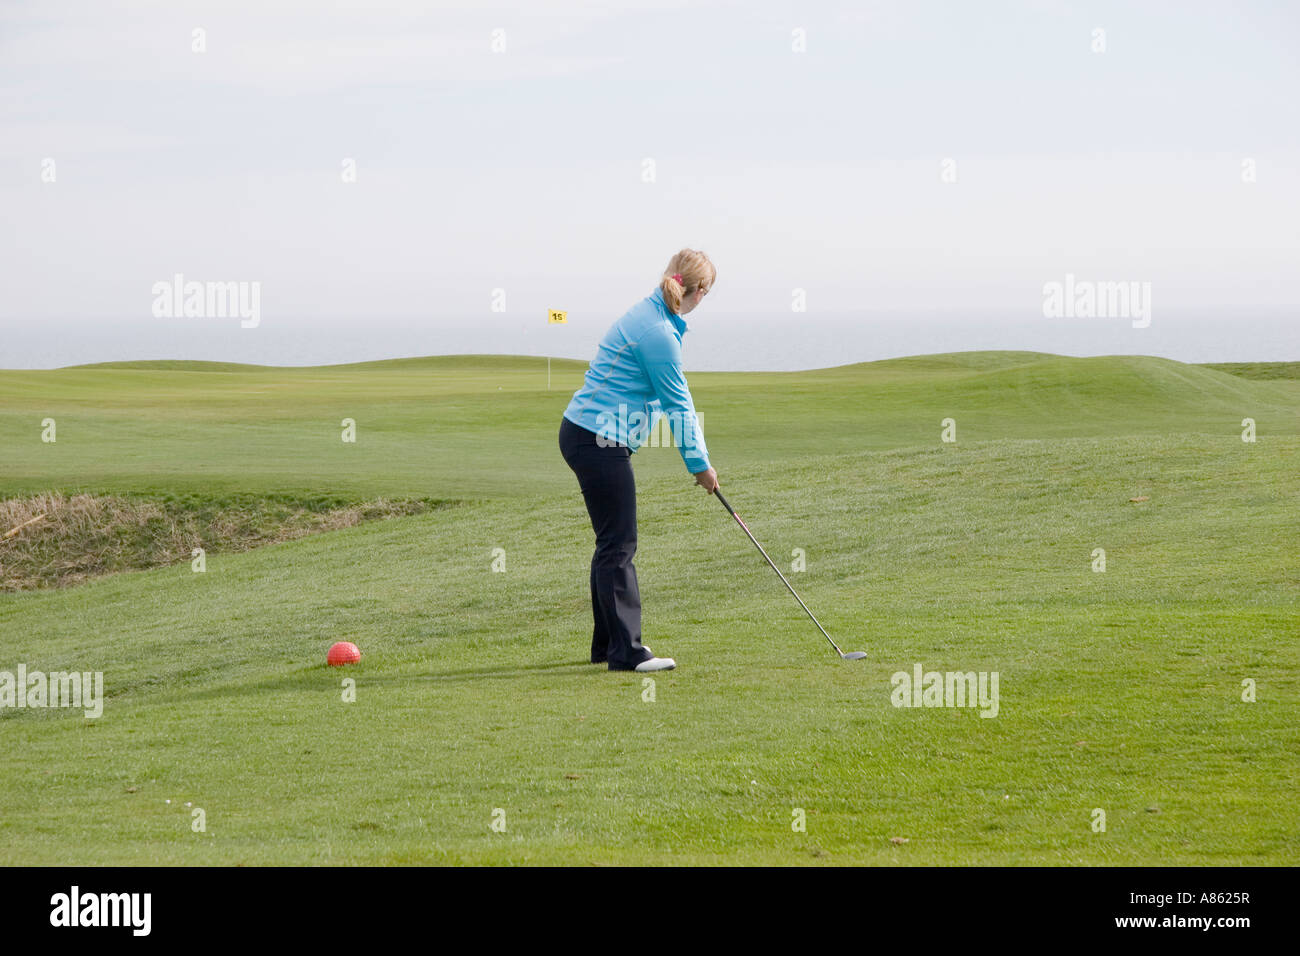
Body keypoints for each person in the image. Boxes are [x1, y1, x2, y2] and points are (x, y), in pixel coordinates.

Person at [558, 249, 719, 672]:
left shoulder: (652, 316)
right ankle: (627, 652)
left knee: (610, 542)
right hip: (597, 439)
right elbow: (678, 405)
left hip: (586, 433)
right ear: (698, 291)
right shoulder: (658, 333)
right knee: (620, 543)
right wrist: (699, 465)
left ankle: (607, 647)